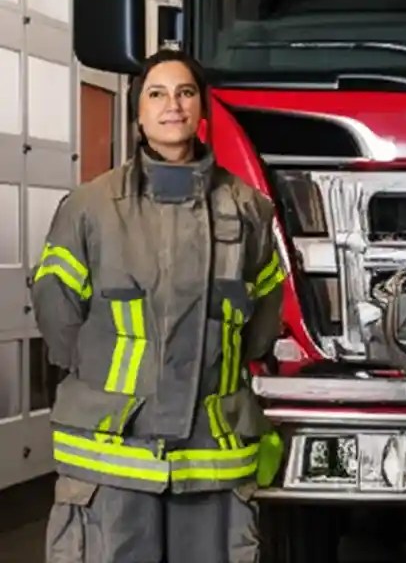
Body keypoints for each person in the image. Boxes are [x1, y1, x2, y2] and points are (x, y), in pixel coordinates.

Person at [33, 49, 284, 563]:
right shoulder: (89, 209)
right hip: (111, 454)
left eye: (186, 92)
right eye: (157, 93)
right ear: (139, 114)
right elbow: (57, 318)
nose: (173, 104)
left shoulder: (250, 209)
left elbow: (262, 323)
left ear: (202, 110)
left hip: (210, 457)